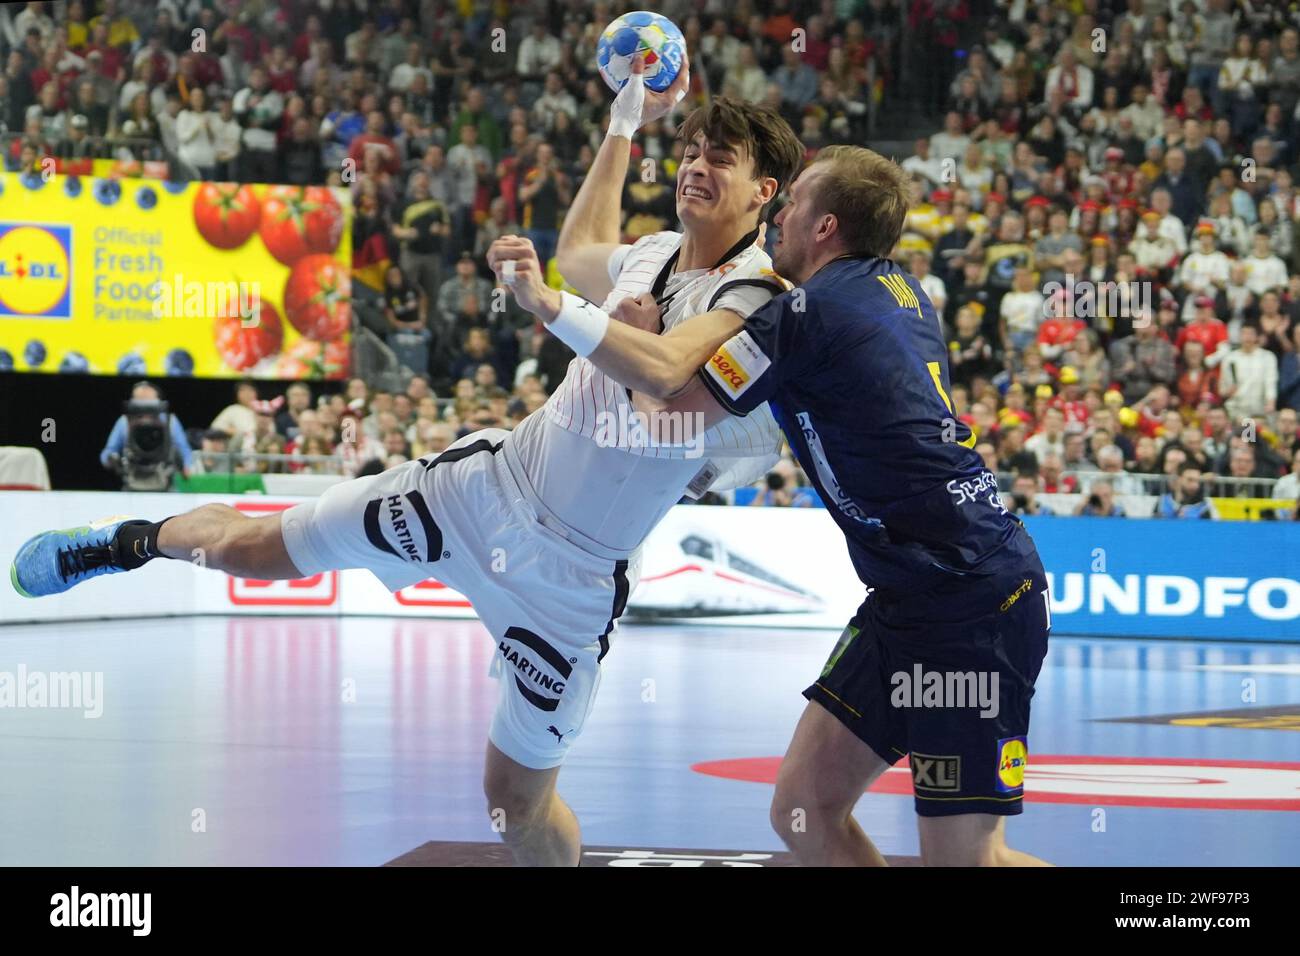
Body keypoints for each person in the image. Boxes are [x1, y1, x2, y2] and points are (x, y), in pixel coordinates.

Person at [12, 55, 804, 869]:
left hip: (569, 587)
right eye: (690, 152)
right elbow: (576, 250)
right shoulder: (651, 252)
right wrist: (623, 125)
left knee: (514, 807)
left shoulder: (756, 297)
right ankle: (119, 543)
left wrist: (550, 306)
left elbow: (665, 371)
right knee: (253, 549)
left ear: (764, 192)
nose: (695, 168)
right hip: (478, 492)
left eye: (720, 159)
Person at [489, 144, 1050, 866]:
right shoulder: (898, 288)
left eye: (792, 205)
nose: (777, 216)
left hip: (971, 605)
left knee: (967, 861)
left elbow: (665, 413)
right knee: (801, 810)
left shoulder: (804, 316)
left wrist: (636, 327)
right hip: (904, 600)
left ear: (825, 227)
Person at [99, 381, 193, 475]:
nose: (144, 405)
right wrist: (111, 459)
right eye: (140, 399)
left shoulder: (170, 422)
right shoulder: (124, 421)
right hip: (133, 476)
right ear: (133, 402)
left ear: (158, 402)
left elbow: (184, 450)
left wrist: (187, 466)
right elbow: (109, 451)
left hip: (164, 476)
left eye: (148, 400)